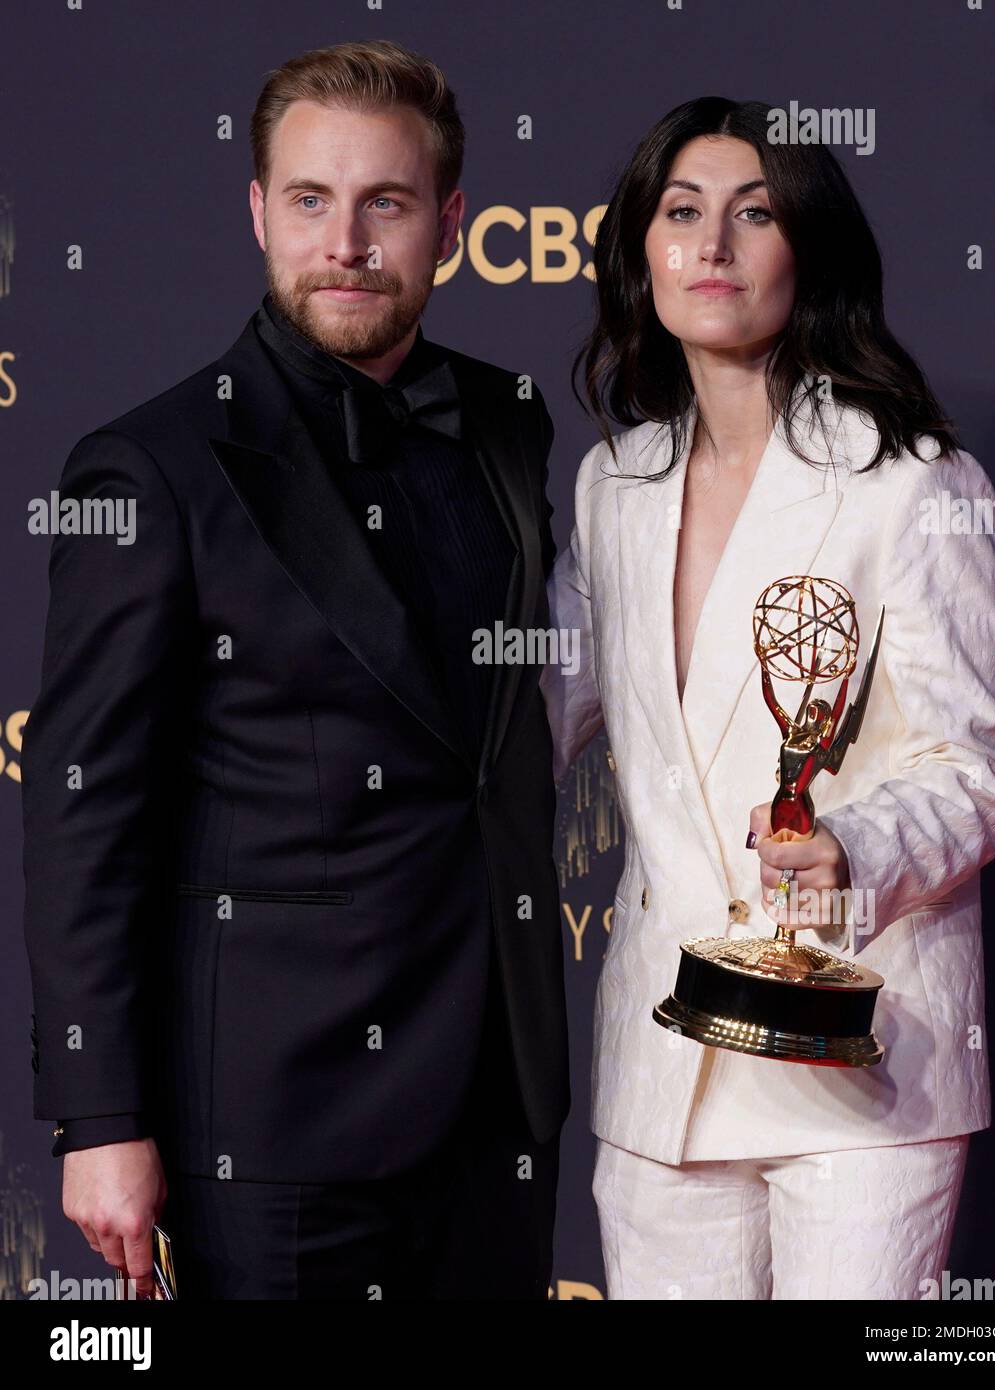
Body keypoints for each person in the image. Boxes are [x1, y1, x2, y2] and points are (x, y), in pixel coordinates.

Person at [22, 39, 568, 1300]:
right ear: (260, 212)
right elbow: (81, 814)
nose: (348, 243)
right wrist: (100, 1118)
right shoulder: (151, 467)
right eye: (311, 201)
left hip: (499, 1103)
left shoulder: (507, 420)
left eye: (385, 202)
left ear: (450, 223)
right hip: (271, 1126)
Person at [541, 96, 995, 1300]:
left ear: (804, 249)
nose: (710, 246)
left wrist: (852, 845)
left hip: (862, 1054)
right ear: (639, 250)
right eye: (681, 212)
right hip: (663, 1059)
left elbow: (972, 771)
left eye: (751, 214)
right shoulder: (614, 483)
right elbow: (533, 712)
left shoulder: (910, 481)